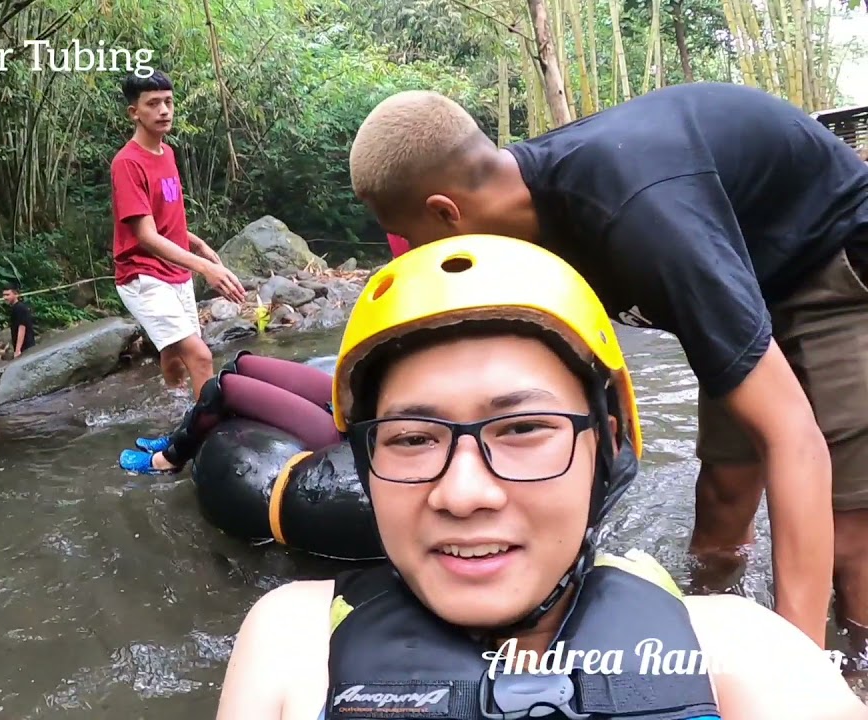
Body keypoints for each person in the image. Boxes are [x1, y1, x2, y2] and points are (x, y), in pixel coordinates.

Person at [215, 235, 865, 720]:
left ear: (606, 447)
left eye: (523, 430)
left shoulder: (741, 651)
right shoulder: (293, 642)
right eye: (412, 438)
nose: (464, 493)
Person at [346, 82, 868, 654]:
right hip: (741, 277)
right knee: (723, 495)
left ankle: (847, 671)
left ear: (445, 212)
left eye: (406, 241)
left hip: (833, 265)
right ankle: (706, 631)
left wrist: (791, 674)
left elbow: (794, 438)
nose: (412, 259)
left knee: (850, 537)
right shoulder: (533, 218)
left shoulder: (637, 212)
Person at [111, 70, 247, 404]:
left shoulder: (167, 154)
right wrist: (205, 267)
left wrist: (197, 243)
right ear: (134, 112)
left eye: (168, 102)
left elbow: (164, 221)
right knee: (200, 356)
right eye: (153, 103)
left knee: (173, 355)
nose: (164, 110)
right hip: (142, 274)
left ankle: (174, 410)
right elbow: (145, 235)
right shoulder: (127, 163)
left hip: (175, 271)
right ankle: (205, 435)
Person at [119, 351, 338, 474]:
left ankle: (167, 461)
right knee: (240, 364)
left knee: (219, 389)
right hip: (352, 398)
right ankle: (177, 438)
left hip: (354, 428)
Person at [1, 282, 36, 357]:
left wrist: (17, 350)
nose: (5, 298)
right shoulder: (14, 308)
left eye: (8, 295)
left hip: (26, 347)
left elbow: (22, 328)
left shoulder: (19, 308)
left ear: (15, 294)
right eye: (4, 295)